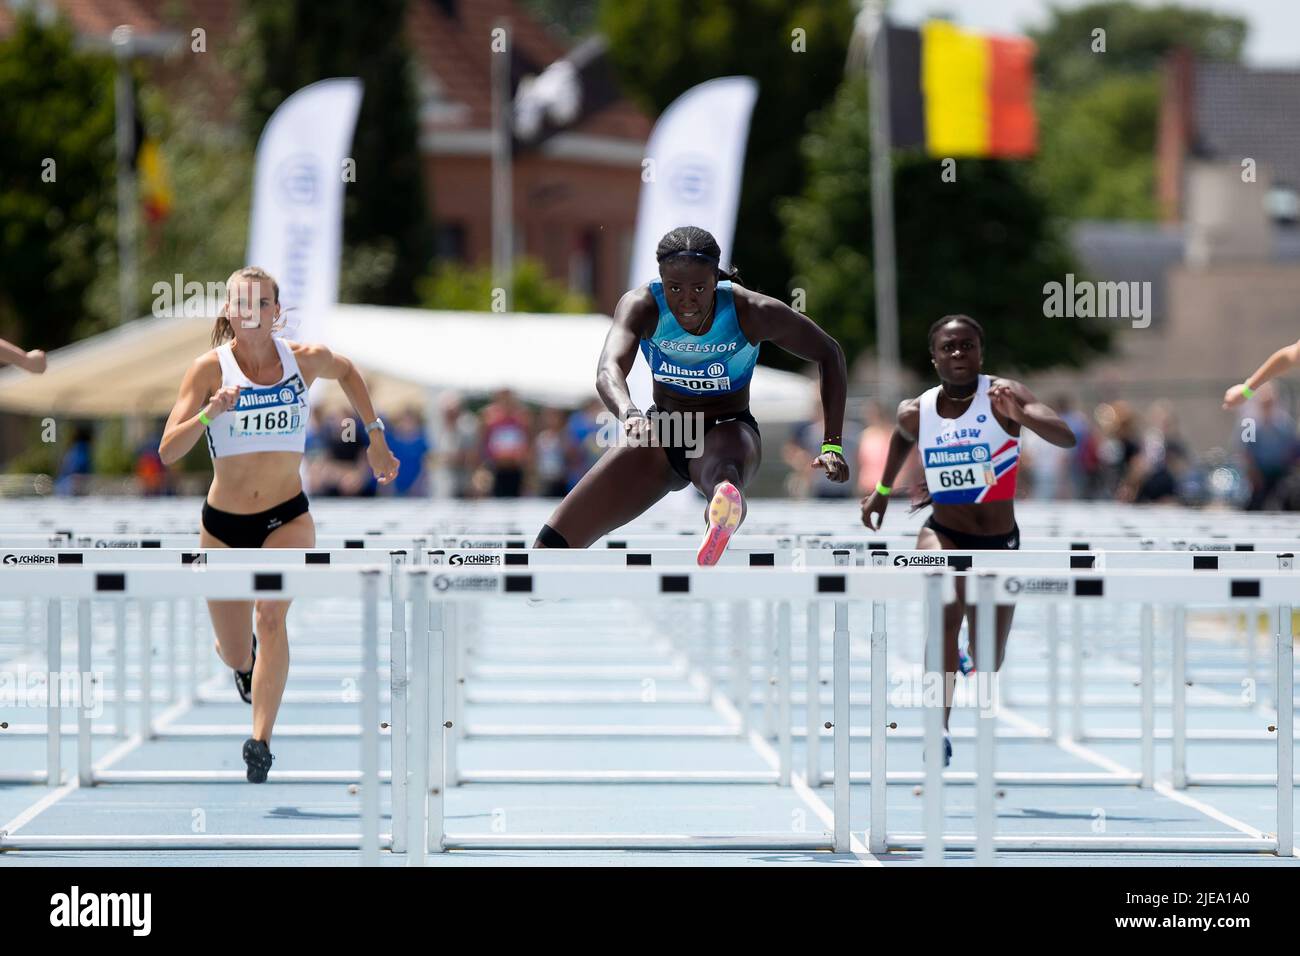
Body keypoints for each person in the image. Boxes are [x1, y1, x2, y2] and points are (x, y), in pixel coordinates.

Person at [158, 266, 398, 782]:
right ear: (228, 312)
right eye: (239, 303)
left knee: (270, 618)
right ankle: (243, 668)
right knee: (236, 648)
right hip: (222, 528)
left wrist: (375, 437)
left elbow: (349, 370)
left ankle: (259, 740)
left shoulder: (303, 360)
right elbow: (167, 452)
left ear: (275, 313)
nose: (249, 312)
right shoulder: (208, 370)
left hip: (287, 518)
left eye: (259, 303)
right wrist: (207, 415)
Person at [533, 225, 849, 563]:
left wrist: (832, 444)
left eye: (699, 288)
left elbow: (830, 354)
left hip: (727, 428)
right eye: (674, 288)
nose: (686, 302)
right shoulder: (642, 305)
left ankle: (721, 512)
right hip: (665, 431)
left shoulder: (752, 311)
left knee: (723, 477)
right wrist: (629, 413)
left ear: (717, 280)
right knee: (548, 550)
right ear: (660, 281)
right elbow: (608, 370)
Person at [859, 314, 1076, 764]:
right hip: (943, 532)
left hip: (999, 543)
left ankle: (968, 656)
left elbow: (1066, 436)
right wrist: (881, 492)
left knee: (988, 657)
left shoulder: (1004, 396)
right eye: (948, 348)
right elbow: (902, 437)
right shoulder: (916, 410)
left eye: (967, 346)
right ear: (934, 356)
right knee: (945, 603)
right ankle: (936, 727)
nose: (958, 355)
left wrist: (1024, 419)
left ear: (981, 352)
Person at [480, 388, 532, 498]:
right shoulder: (491, 419)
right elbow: (485, 443)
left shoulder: (521, 419)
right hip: (497, 469)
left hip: (515, 469)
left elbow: (526, 444)